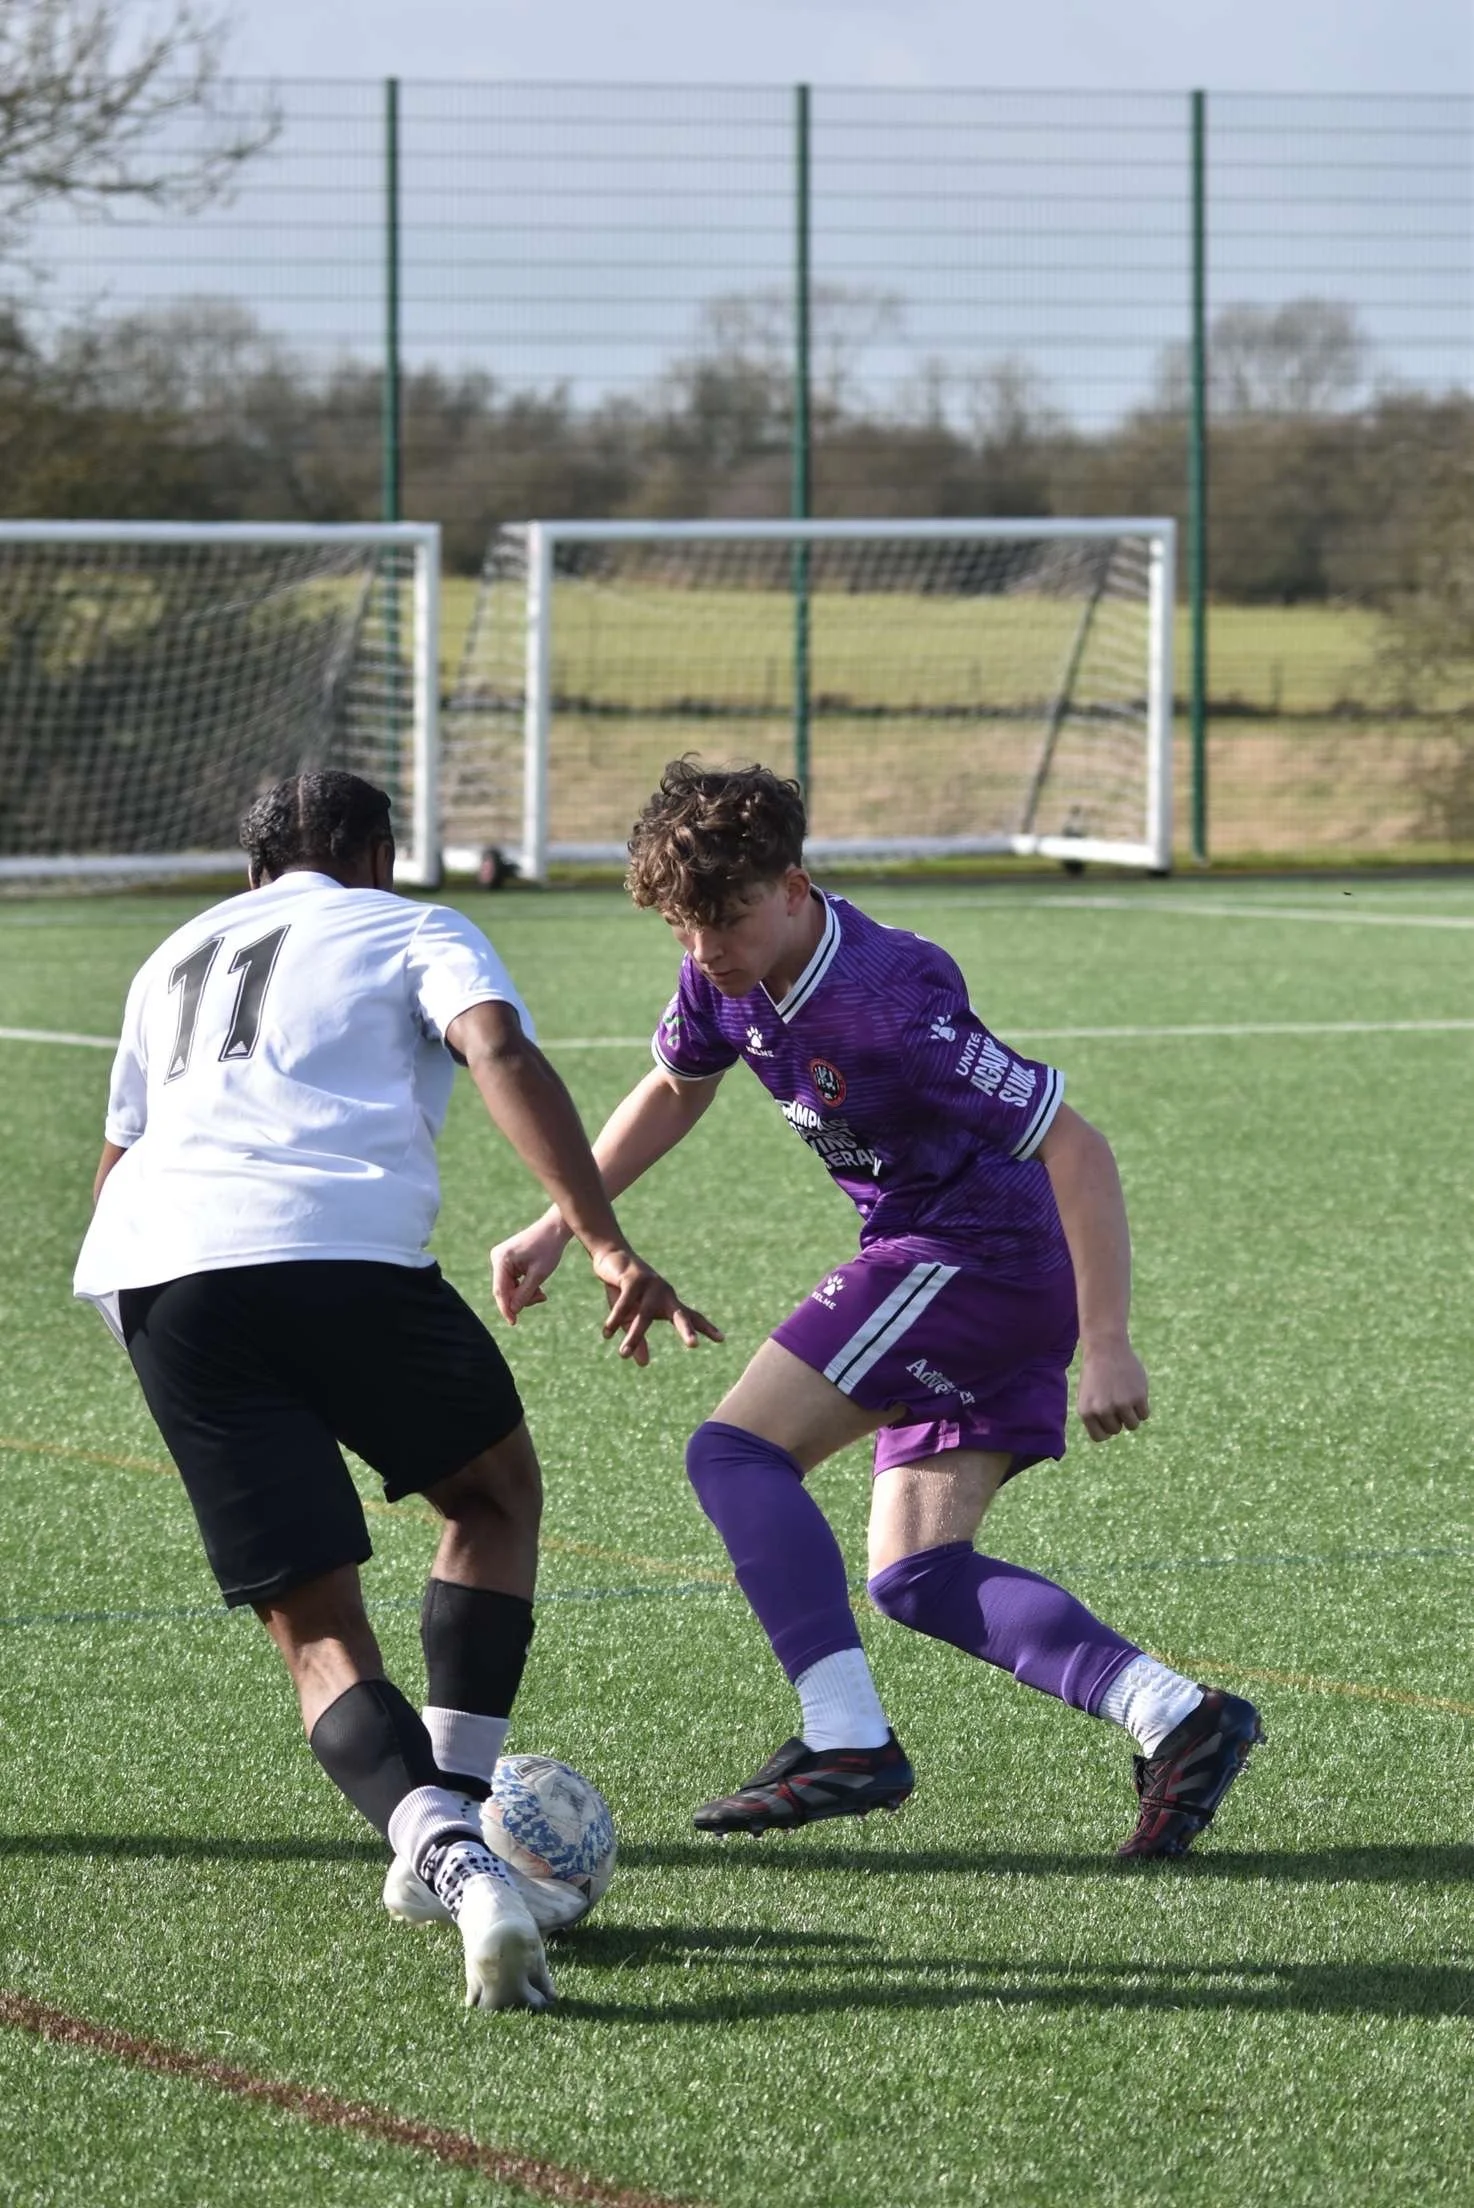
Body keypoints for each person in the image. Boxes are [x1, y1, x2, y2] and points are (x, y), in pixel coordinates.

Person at [489, 758, 1262, 1859]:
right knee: (917, 1575)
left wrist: (1109, 1343)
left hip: (975, 1259)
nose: (704, 949)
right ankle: (1176, 1716)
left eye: (726, 918)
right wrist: (559, 1220)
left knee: (733, 1455)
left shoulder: (889, 1006)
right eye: (680, 927)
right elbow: (675, 1086)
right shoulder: (721, 975)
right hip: (944, 1262)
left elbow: (1077, 1146)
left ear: (794, 887)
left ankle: (844, 1738)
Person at [73, 770, 717, 2011]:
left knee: (317, 1632)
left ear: (254, 866)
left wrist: (160, 1335)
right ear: (375, 852)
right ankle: (464, 1815)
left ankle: (441, 1852)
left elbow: (121, 1156)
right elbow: (497, 1048)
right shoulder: (410, 922)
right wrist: (599, 1240)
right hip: (338, 1249)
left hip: (164, 1279)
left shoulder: (171, 958)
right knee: (492, 1494)